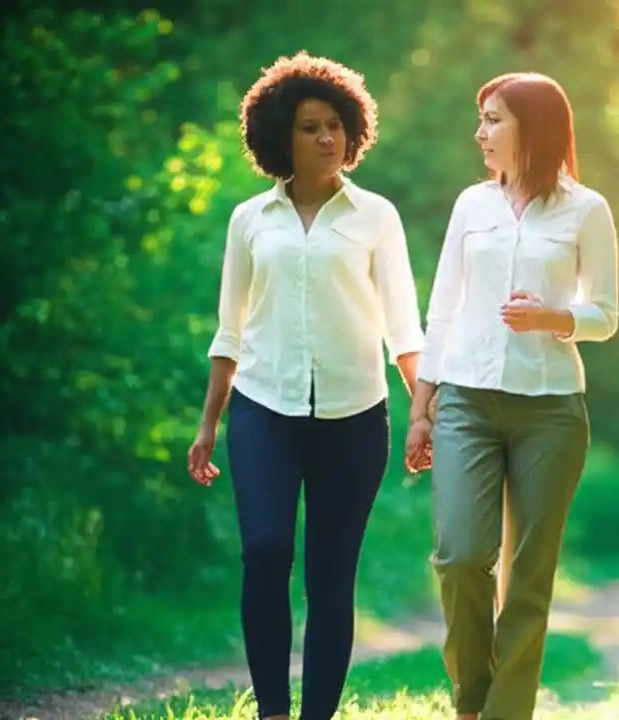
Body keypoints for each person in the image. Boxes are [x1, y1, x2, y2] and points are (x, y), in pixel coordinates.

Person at [186, 52, 425, 720]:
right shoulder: (249, 220)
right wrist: (209, 424)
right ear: (279, 138)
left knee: (330, 578)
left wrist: (423, 411)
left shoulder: (376, 217)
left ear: (354, 129)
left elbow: (404, 325)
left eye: (336, 125)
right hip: (263, 409)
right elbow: (229, 330)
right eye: (310, 127)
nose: (327, 138)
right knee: (264, 552)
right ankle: (271, 711)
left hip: (356, 416)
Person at [405, 72, 619, 720]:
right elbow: (442, 310)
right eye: (482, 120)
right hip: (467, 401)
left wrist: (555, 317)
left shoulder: (587, 210)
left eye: (494, 119)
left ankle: (505, 715)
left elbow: (605, 314)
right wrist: (421, 408)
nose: (481, 133)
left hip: (551, 408)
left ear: (534, 126)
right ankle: (471, 700)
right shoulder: (472, 205)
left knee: (527, 578)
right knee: (461, 556)